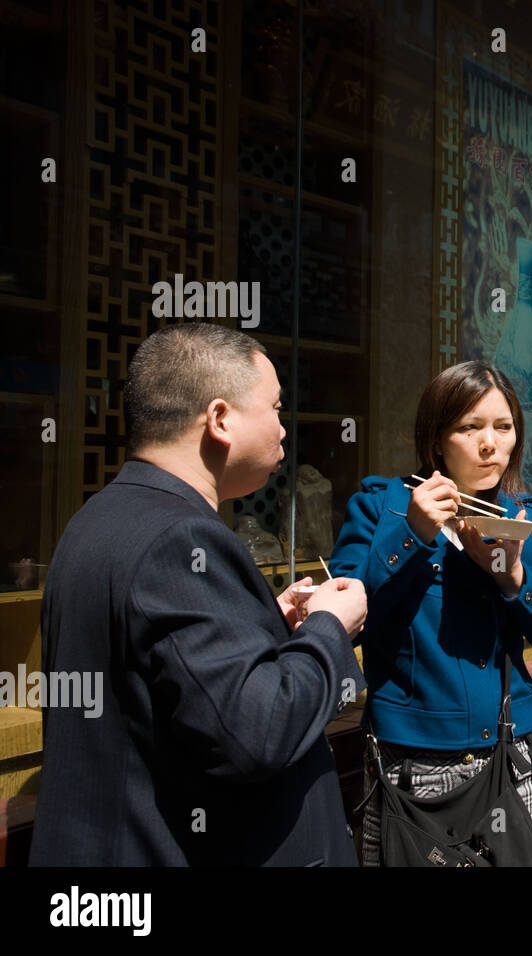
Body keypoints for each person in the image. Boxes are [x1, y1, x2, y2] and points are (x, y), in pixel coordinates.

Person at [31, 324, 368, 865]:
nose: (284, 429)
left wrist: (266, 627)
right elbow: (256, 732)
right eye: (276, 407)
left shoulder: (97, 518)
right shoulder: (180, 537)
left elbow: (179, 684)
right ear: (219, 420)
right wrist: (332, 627)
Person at [330, 360, 532, 866]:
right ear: (437, 439)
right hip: (416, 766)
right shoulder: (383, 506)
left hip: (513, 757)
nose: (491, 443)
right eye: (470, 427)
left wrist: (515, 583)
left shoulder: (522, 518)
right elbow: (347, 616)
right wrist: (413, 533)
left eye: (503, 427)